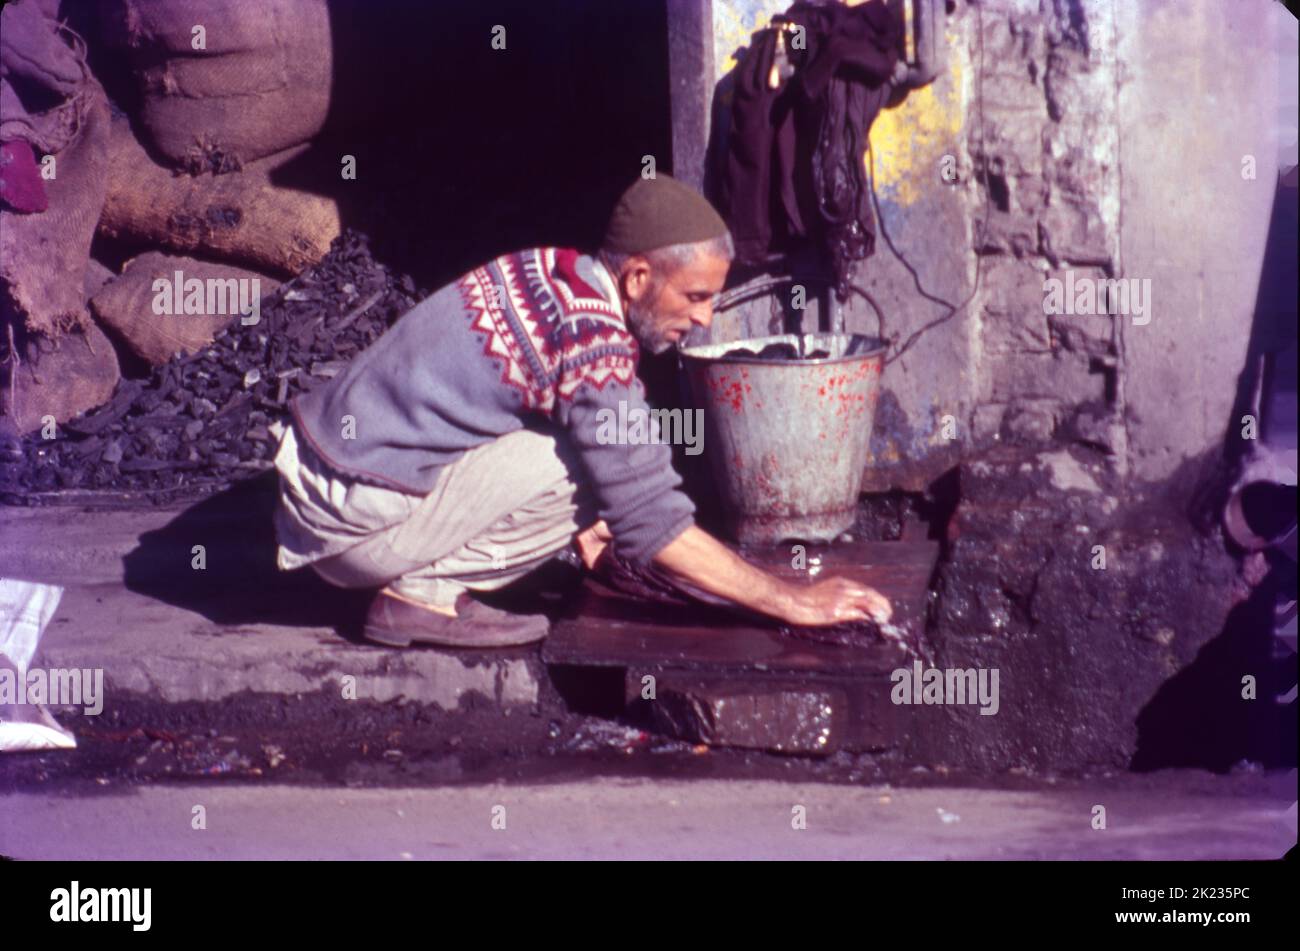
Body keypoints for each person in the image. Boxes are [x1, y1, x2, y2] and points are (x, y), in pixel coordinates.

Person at [271, 174, 892, 647]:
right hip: (347, 528)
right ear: (638, 278)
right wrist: (792, 601)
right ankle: (421, 597)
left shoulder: (553, 271)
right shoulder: (592, 339)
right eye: (696, 296)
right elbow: (653, 522)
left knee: (598, 452)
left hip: (323, 483)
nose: (704, 318)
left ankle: (418, 574)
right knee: (599, 469)